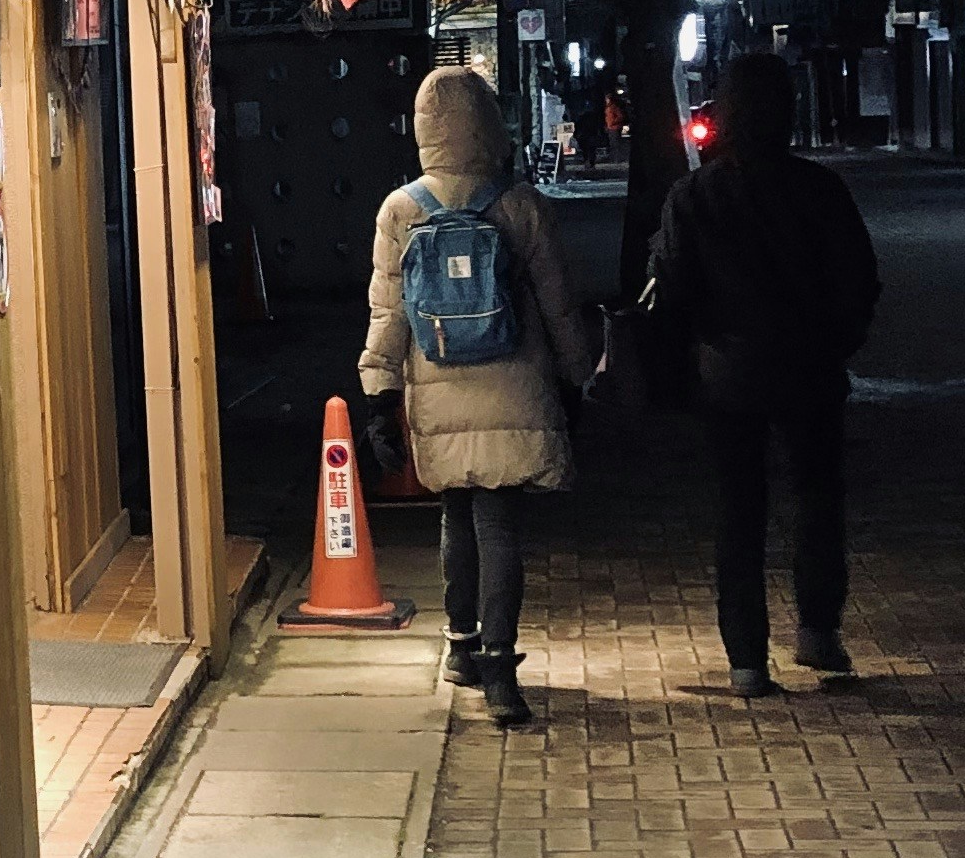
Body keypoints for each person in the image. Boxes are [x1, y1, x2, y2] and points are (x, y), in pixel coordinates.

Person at [362, 62, 596, 726]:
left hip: (436, 389)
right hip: (512, 382)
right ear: (488, 123)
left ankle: (460, 647)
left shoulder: (401, 209)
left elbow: (388, 313)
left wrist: (379, 393)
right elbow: (559, 308)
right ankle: (501, 669)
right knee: (498, 525)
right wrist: (577, 377)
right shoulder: (521, 204)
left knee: (454, 517)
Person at [643, 49, 881, 697]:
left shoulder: (696, 196)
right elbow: (859, 279)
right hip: (810, 367)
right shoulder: (819, 190)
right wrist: (835, 342)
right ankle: (818, 631)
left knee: (739, 511)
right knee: (817, 497)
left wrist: (692, 354)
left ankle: (748, 659)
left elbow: (672, 288)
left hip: (729, 374)